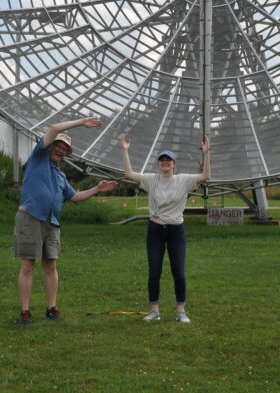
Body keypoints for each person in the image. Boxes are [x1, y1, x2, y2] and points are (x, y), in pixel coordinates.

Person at [15, 117, 117, 324]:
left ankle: (52, 307)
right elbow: (53, 128)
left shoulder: (60, 176)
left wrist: (97, 189)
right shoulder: (38, 157)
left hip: (51, 222)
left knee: (51, 265)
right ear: (51, 146)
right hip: (30, 216)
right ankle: (25, 311)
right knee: (28, 265)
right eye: (58, 146)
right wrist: (81, 123)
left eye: (65, 149)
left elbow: (74, 197)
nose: (61, 150)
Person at [121, 133, 210, 323]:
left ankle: (181, 311)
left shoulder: (183, 180)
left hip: (176, 231)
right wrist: (125, 150)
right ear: (158, 164)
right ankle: (154, 310)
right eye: (162, 160)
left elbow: (205, 175)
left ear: (174, 164)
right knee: (154, 271)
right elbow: (129, 174)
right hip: (155, 230)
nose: (165, 163)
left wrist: (206, 153)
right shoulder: (152, 180)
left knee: (178, 271)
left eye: (168, 160)